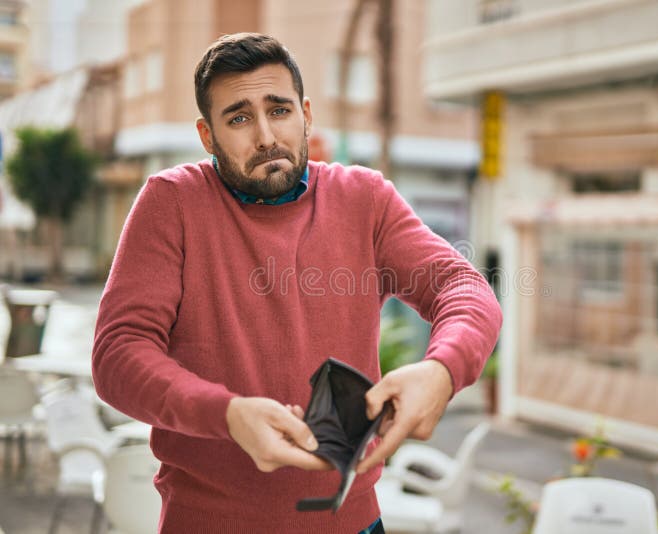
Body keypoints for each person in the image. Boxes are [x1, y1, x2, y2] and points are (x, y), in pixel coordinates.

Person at [92, 32, 502, 533]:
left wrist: (442, 370)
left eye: (279, 110)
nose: (265, 135)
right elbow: (118, 352)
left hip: (353, 523)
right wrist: (226, 414)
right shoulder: (171, 202)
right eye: (239, 117)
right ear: (207, 135)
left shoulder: (364, 199)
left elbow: (462, 287)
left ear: (306, 114)